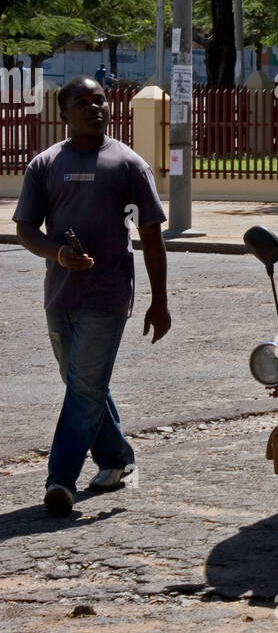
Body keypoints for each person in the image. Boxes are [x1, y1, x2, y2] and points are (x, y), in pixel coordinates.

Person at [13, 76, 171, 516]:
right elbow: (25, 229)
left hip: (108, 295)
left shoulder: (128, 165)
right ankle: (118, 460)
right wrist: (58, 254)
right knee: (83, 385)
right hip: (59, 296)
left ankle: (60, 480)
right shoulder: (44, 165)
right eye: (82, 103)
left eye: (100, 101)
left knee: (83, 389)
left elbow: (151, 237)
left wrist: (159, 301)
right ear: (64, 114)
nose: (94, 108)